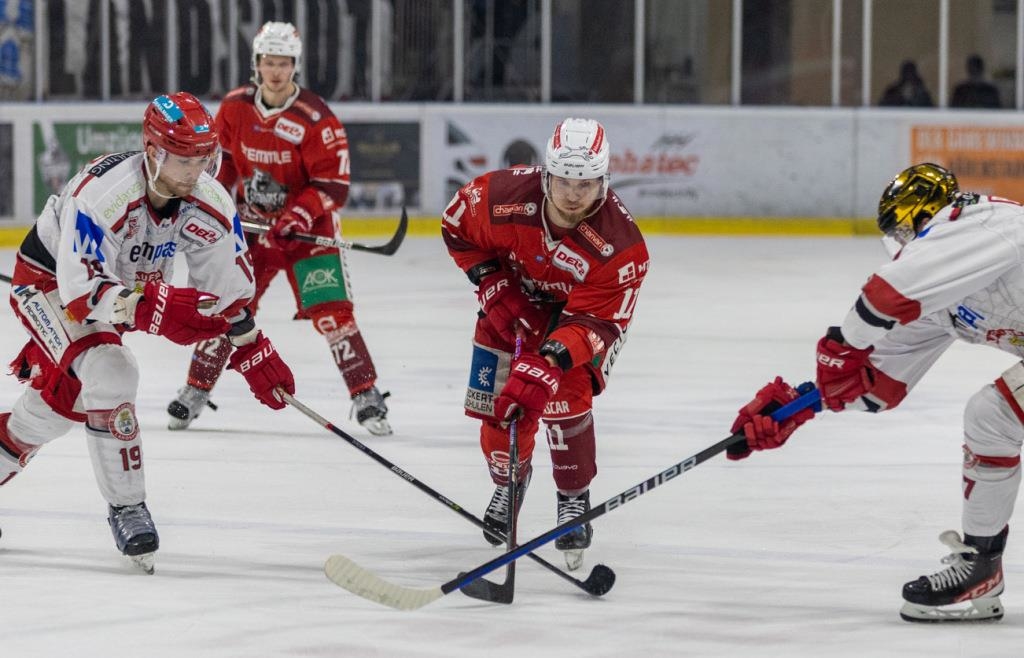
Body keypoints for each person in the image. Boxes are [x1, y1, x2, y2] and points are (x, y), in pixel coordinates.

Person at [1, 92, 295, 572]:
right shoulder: (102, 195)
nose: (194, 172)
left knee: (70, 403)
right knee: (112, 371)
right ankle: (128, 507)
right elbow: (81, 293)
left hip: (114, 298)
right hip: (50, 284)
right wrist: (155, 308)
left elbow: (228, 294)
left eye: (203, 159)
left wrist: (252, 350)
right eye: (183, 160)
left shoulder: (209, 201)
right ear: (153, 151)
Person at [729, 162, 1022, 622]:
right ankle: (981, 566)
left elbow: (883, 299)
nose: (902, 242)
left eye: (904, 229)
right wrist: (800, 405)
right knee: (993, 417)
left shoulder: (979, 224)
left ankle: (981, 565)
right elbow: (880, 384)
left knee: (994, 415)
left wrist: (839, 345)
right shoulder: (941, 288)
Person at [441, 118, 650, 570]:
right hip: (508, 311)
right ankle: (509, 481)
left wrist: (550, 361)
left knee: (565, 402)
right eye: (566, 181)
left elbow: (600, 320)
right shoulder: (499, 199)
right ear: (546, 174)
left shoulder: (621, 245)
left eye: (588, 183)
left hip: (575, 321)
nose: (575, 193)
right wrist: (491, 283)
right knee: (498, 412)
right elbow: (455, 227)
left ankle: (573, 498)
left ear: (604, 180)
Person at [165, 21, 392, 436]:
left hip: (305, 236)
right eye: (269, 62)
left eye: (284, 63)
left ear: (295, 66)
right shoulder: (234, 107)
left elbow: (332, 186)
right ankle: (196, 389)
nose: (275, 71)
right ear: (256, 64)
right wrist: (217, 200)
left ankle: (366, 394)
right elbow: (226, 162)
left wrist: (297, 217)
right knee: (226, 306)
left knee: (332, 315)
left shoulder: (316, 118)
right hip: (253, 231)